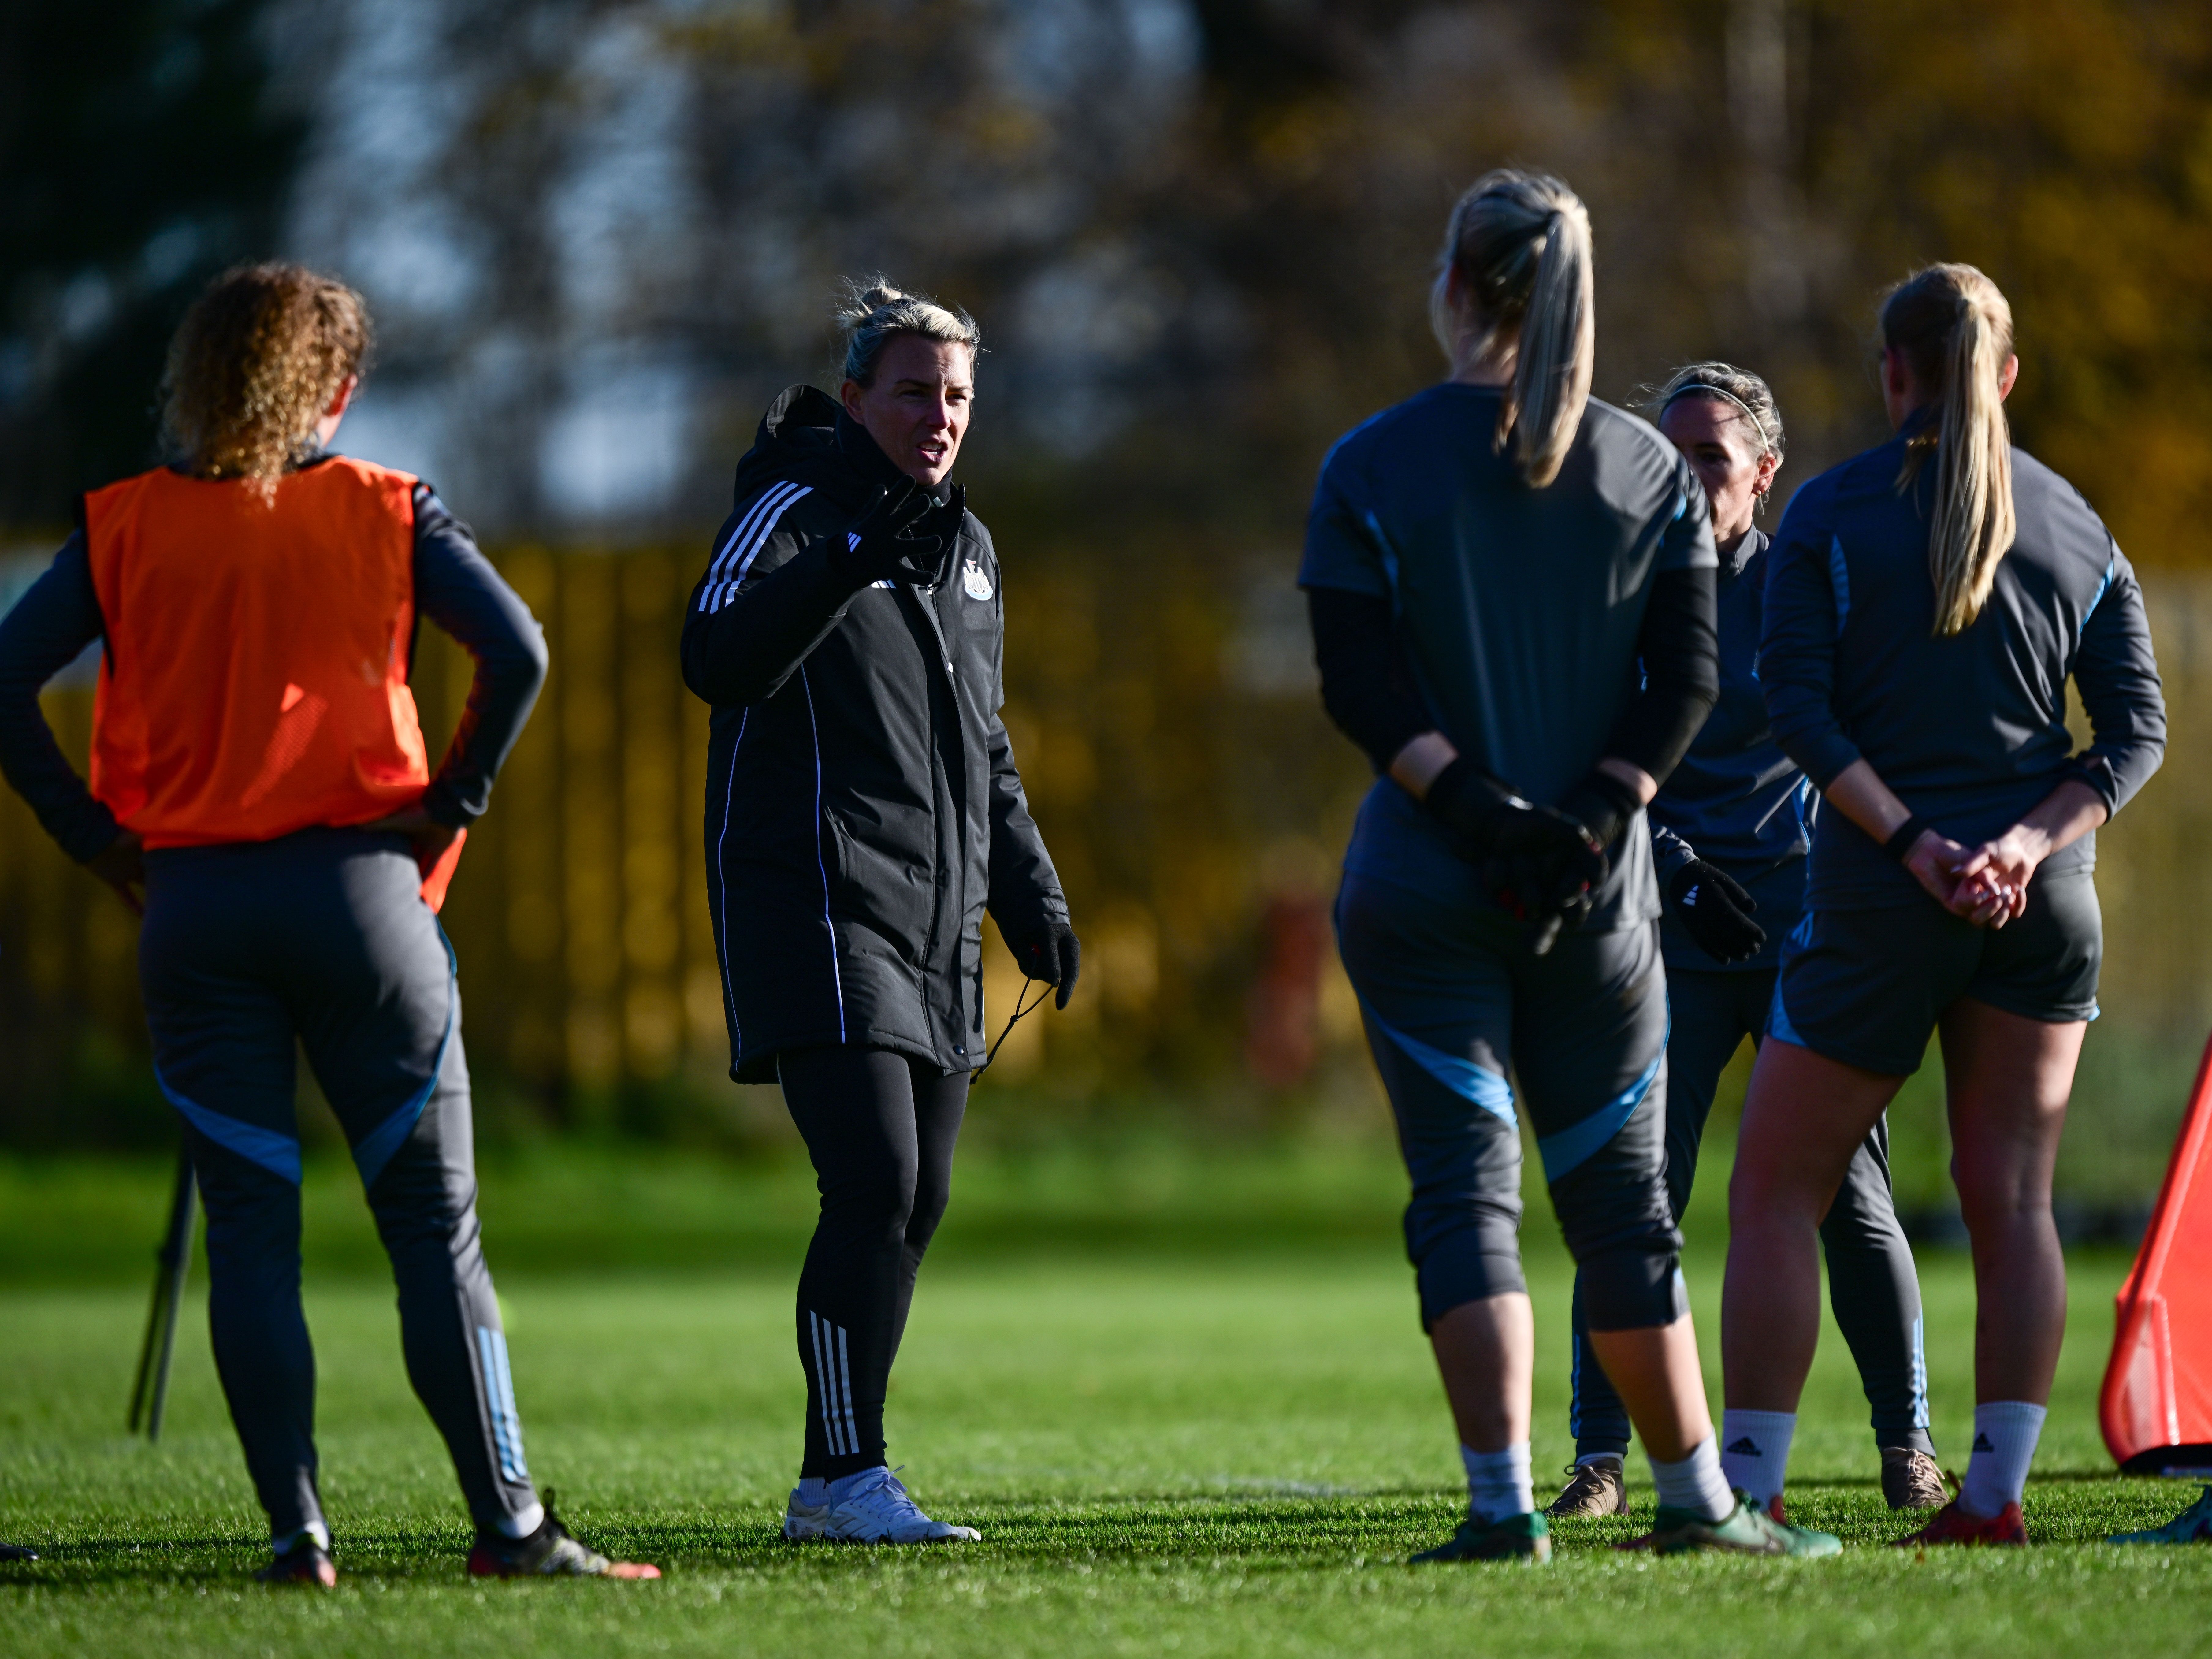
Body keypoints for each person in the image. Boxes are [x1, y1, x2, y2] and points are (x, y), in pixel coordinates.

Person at [0, 265, 656, 1586]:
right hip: (363, 899)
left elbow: (8, 684)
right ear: (337, 388)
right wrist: (451, 800)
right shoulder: (386, 508)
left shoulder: (119, 526)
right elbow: (517, 652)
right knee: (433, 1231)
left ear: (195, 381)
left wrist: (94, 843)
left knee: (251, 1231)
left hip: (189, 909)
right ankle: (510, 1527)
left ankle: (299, 1537)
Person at [1303, 169, 1838, 1561]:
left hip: (1423, 888)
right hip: (1602, 901)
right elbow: (1692, 677)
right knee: (1619, 1202)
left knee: (1462, 1193)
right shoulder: (1650, 467)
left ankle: (1502, 1510)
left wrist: (1479, 815)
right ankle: (1698, 1505)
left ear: (1452, 286)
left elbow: (1357, 686)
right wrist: (1597, 817)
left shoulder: (1368, 463)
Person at [1721, 263, 2165, 1545]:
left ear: (1889, 371)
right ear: (2006, 376)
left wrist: (1915, 843)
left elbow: (1794, 705)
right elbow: (2132, 735)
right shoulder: (2076, 524)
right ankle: (1990, 1498)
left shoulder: (1829, 511)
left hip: (1879, 899)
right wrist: (2022, 844)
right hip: (2039, 903)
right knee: (2012, 1201)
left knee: (1773, 1191)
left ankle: (1748, 1493)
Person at [680, 280, 1077, 1545]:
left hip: (936, 921)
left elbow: (983, 748)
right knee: (872, 1176)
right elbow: (714, 657)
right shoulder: (794, 514)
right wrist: (851, 556)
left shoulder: (968, 550)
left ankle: (840, 1483)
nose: (938, 415)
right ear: (855, 399)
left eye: (956, 394)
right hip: (813, 896)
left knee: (920, 1198)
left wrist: (1033, 897)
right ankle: (842, 1475)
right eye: (912, 390)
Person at [1547, 364, 1945, 1521]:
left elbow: (1872, 761)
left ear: (1765, 476)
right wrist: (1665, 865)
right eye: (1669, 458)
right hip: (1659, 941)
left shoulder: (1815, 590)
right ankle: (1602, 1461)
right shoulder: (1617, 591)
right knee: (1634, 1195)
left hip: (1803, 941)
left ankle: (1908, 1447)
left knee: (1853, 1202)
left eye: (1711, 460)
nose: (1686, 480)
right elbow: (1587, 756)